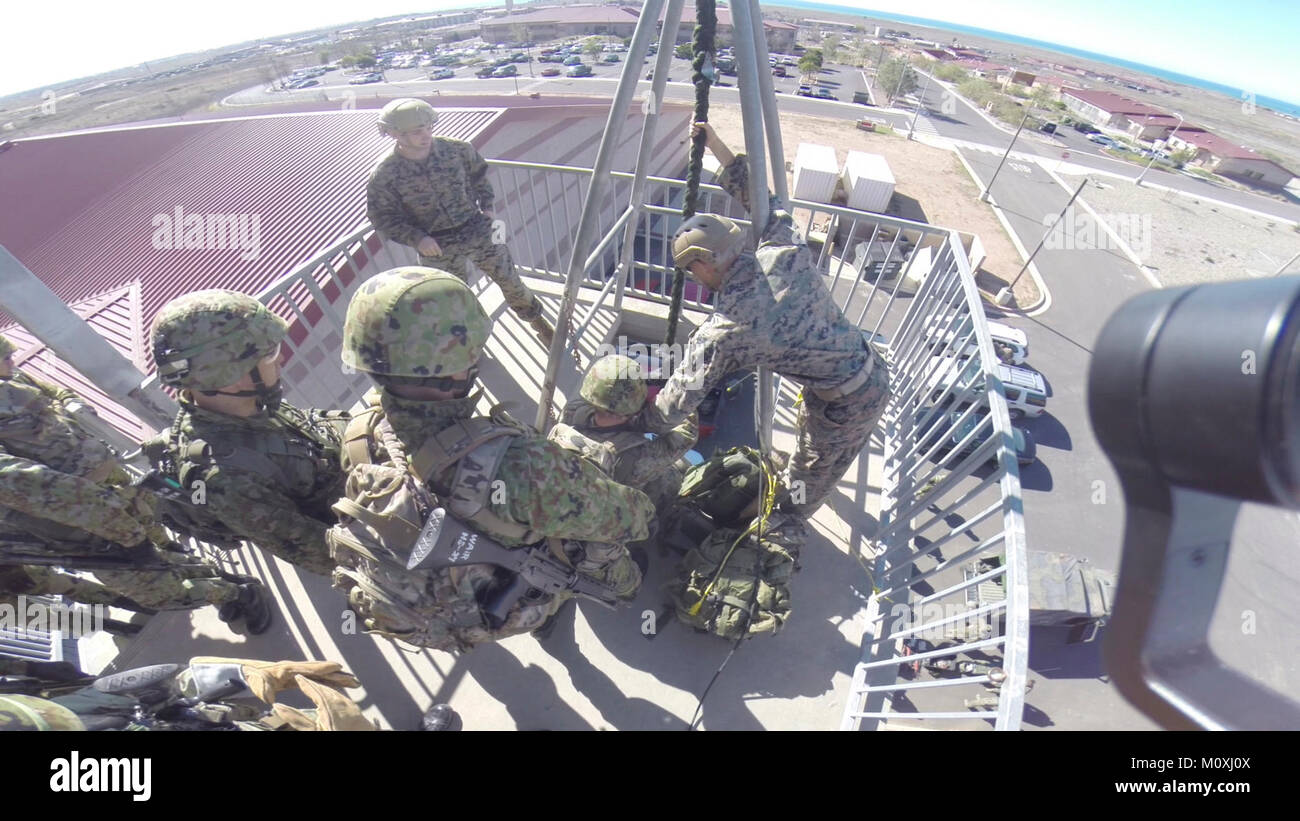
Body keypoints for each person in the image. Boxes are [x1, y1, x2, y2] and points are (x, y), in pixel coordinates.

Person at [333, 267, 655, 649]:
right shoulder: (521, 468)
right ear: (458, 362)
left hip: (443, 601)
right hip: (492, 603)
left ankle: (544, 617)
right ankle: (579, 601)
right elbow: (627, 519)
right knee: (601, 561)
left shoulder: (360, 431)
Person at [651, 122, 891, 518]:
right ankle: (798, 489)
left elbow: (675, 404)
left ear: (702, 264)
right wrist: (717, 145)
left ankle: (785, 522)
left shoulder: (728, 330)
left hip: (845, 404)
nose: (692, 277)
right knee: (819, 451)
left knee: (808, 479)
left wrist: (619, 422)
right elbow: (763, 197)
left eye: (690, 269)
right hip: (865, 371)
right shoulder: (783, 249)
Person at [0, 335, 271, 631]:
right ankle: (225, 586)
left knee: (153, 543)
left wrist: (72, 404)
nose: (12, 362)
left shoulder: (13, 379)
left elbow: (50, 486)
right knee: (155, 564)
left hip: (92, 494)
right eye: (5, 359)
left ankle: (233, 591)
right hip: (79, 517)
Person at [146, 290, 346, 578]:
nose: (282, 358)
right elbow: (323, 553)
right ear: (228, 375)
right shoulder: (226, 478)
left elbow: (306, 433)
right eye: (270, 353)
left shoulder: (249, 404)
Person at [365, 98, 555, 347]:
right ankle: (470, 343)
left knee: (510, 280)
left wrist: (487, 208)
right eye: (416, 132)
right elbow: (383, 216)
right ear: (394, 134)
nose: (426, 135)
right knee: (452, 299)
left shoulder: (456, 149)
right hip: (436, 244)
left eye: (428, 127)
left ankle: (537, 321)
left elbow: (479, 177)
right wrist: (417, 239)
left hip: (475, 228)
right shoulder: (385, 173)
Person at [553, 353, 697, 512]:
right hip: (627, 511)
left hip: (578, 496)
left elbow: (604, 396)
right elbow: (686, 434)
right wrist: (668, 400)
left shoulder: (571, 413)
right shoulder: (636, 455)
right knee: (677, 473)